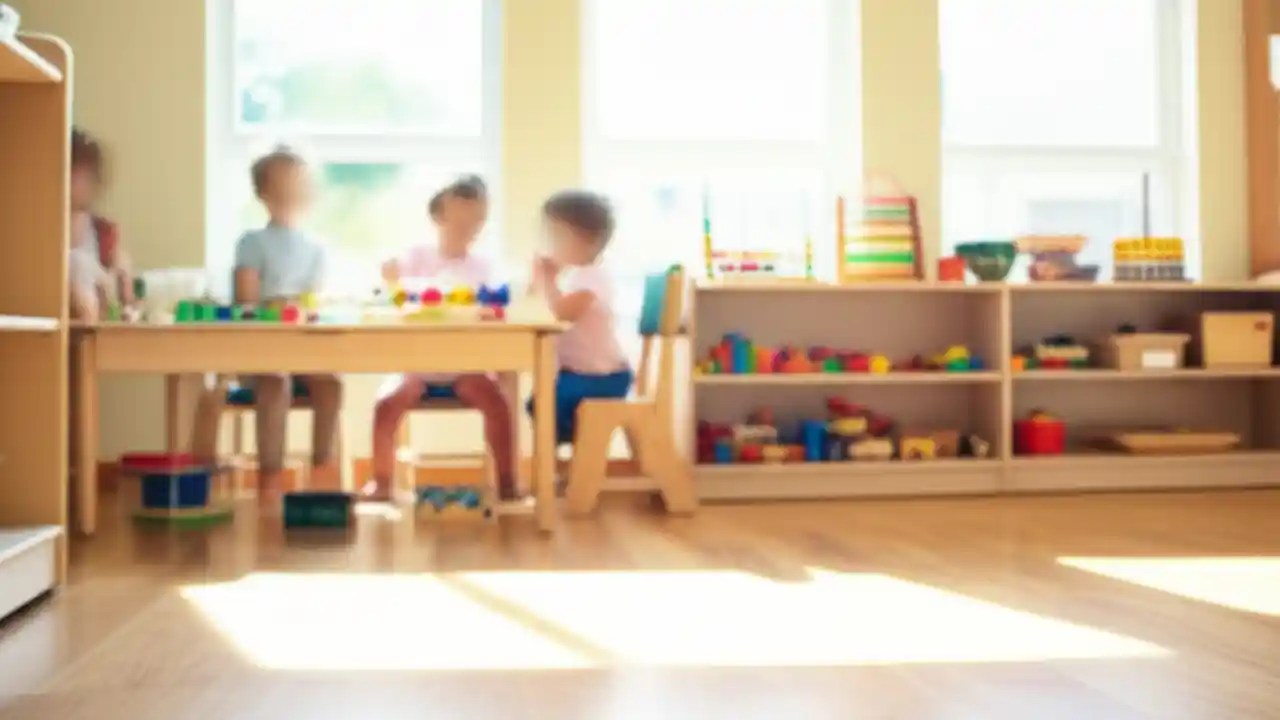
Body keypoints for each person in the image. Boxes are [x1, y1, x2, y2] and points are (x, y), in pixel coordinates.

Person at [191, 147, 342, 494]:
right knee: (275, 384)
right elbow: (247, 301)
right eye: (285, 183)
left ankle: (322, 475)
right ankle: (270, 477)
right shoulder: (252, 242)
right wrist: (277, 307)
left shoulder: (316, 248)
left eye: (300, 183)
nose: (294, 191)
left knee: (330, 384)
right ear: (264, 193)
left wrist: (301, 309)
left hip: (303, 351)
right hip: (260, 354)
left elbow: (313, 302)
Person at [366, 176, 516, 501]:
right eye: (458, 218)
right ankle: (381, 481)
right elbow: (392, 296)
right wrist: (391, 279)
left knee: (498, 404)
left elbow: (496, 309)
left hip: (465, 366)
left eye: (474, 220)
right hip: (416, 365)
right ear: (438, 216)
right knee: (386, 406)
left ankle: (506, 480)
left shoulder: (483, 268)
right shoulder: (415, 258)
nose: (465, 226)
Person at [530, 190, 632, 445]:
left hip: (602, 377)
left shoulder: (592, 276)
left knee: (546, 405)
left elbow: (564, 312)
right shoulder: (576, 277)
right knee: (538, 403)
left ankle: (578, 453)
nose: (551, 245)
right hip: (581, 374)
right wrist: (541, 280)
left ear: (587, 241)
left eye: (557, 237)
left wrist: (548, 279)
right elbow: (540, 302)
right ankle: (569, 455)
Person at [69, 128, 133, 320]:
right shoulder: (39, 228)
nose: (90, 182)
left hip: (99, 332)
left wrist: (126, 298)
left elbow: (128, 302)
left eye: (93, 174)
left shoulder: (105, 233)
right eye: (82, 174)